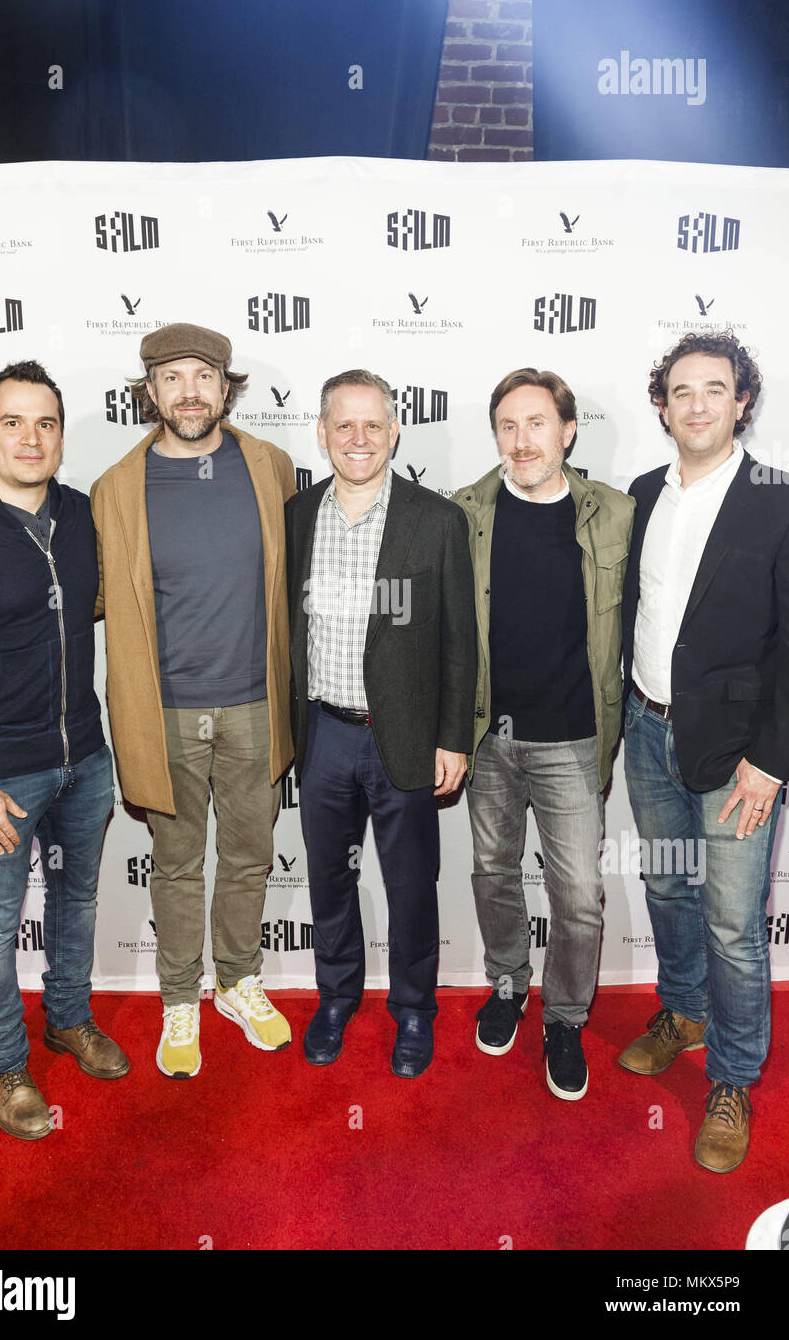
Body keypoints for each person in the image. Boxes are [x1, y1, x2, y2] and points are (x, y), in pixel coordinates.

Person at [0, 360, 126, 1141]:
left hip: (86, 761)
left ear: (62, 435)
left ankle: (67, 1020)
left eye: (45, 423)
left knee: (75, 903)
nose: (30, 438)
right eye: (12, 422)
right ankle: (5, 1063)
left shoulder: (78, 516)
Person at [91, 323, 295, 1077]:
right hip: (165, 712)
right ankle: (181, 996)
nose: (188, 392)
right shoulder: (118, 486)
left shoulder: (268, 466)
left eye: (202, 376)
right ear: (150, 392)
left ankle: (239, 982)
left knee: (247, 857)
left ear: (224, 386)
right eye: (171, 378)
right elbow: (95, 597)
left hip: (253, 704)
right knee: (176, 863)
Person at [619, 329, 789, 1172]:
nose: (696, 405)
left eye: (713, 390)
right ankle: (681, 1011)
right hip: (646, 730)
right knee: (668, 886)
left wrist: (772, 759)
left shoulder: (779, 498)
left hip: (738, 755)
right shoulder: (644, 492)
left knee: (733, 923)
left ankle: (732, 1076)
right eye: (681, 391)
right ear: (662, 404)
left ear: (742, 400)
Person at [286, 369, 475, 1077]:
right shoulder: (297, 515)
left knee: (410, 883)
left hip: (406, 736)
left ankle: (414, 1011)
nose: (359, 438)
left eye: (373, 425)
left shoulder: (436, 519)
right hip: (324, 734)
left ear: (395, 432)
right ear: (323, 433)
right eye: (344, 425)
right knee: (330, 881)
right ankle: (335, 998)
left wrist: (453, 736)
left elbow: (461, 642)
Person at [454, 368, 633, 1099]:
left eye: (536, 423)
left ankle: (564, 1016)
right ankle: (506, 983)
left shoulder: (616, 513)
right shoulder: (465, 512)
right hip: (489, 739)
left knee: (580, 896)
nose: (522, 441)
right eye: (508, 426)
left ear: (567, 430)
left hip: (574, 740)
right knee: (493, 873)